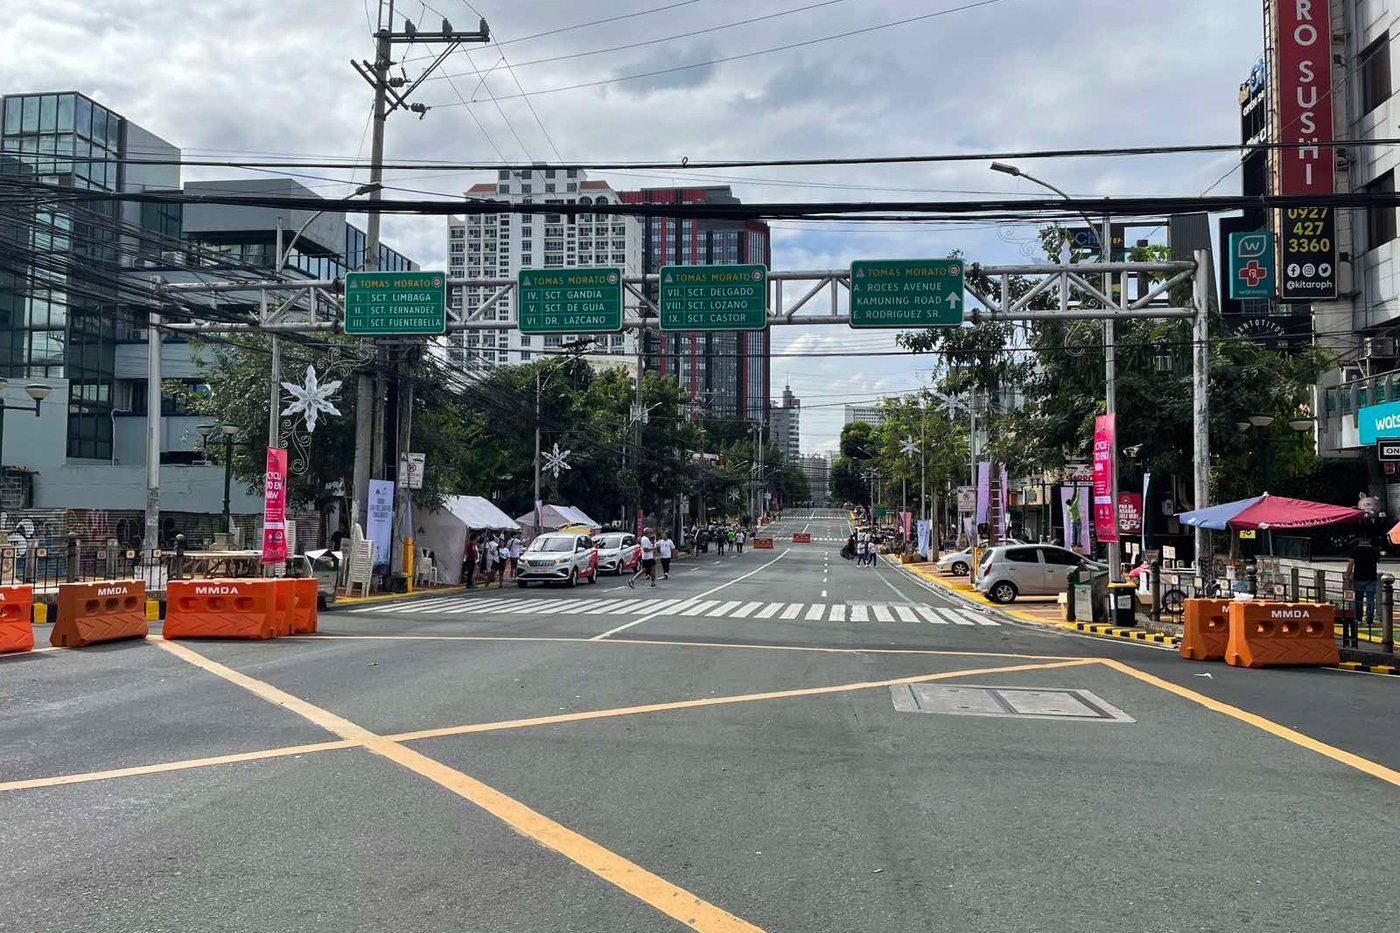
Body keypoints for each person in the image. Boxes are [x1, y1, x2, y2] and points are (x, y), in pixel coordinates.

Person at [1345, 535, 1380, 647]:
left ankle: (1358, 618)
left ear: (1359, 540)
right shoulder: (1375, 551)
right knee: (1371, 599)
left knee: (1358, 599)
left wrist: (1347, 576)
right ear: (1369, 540)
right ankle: (1370, 619)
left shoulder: (1355, 550)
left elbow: (1350, 564)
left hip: (1358, 578)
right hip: (1371, 578)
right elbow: (1378, 560)